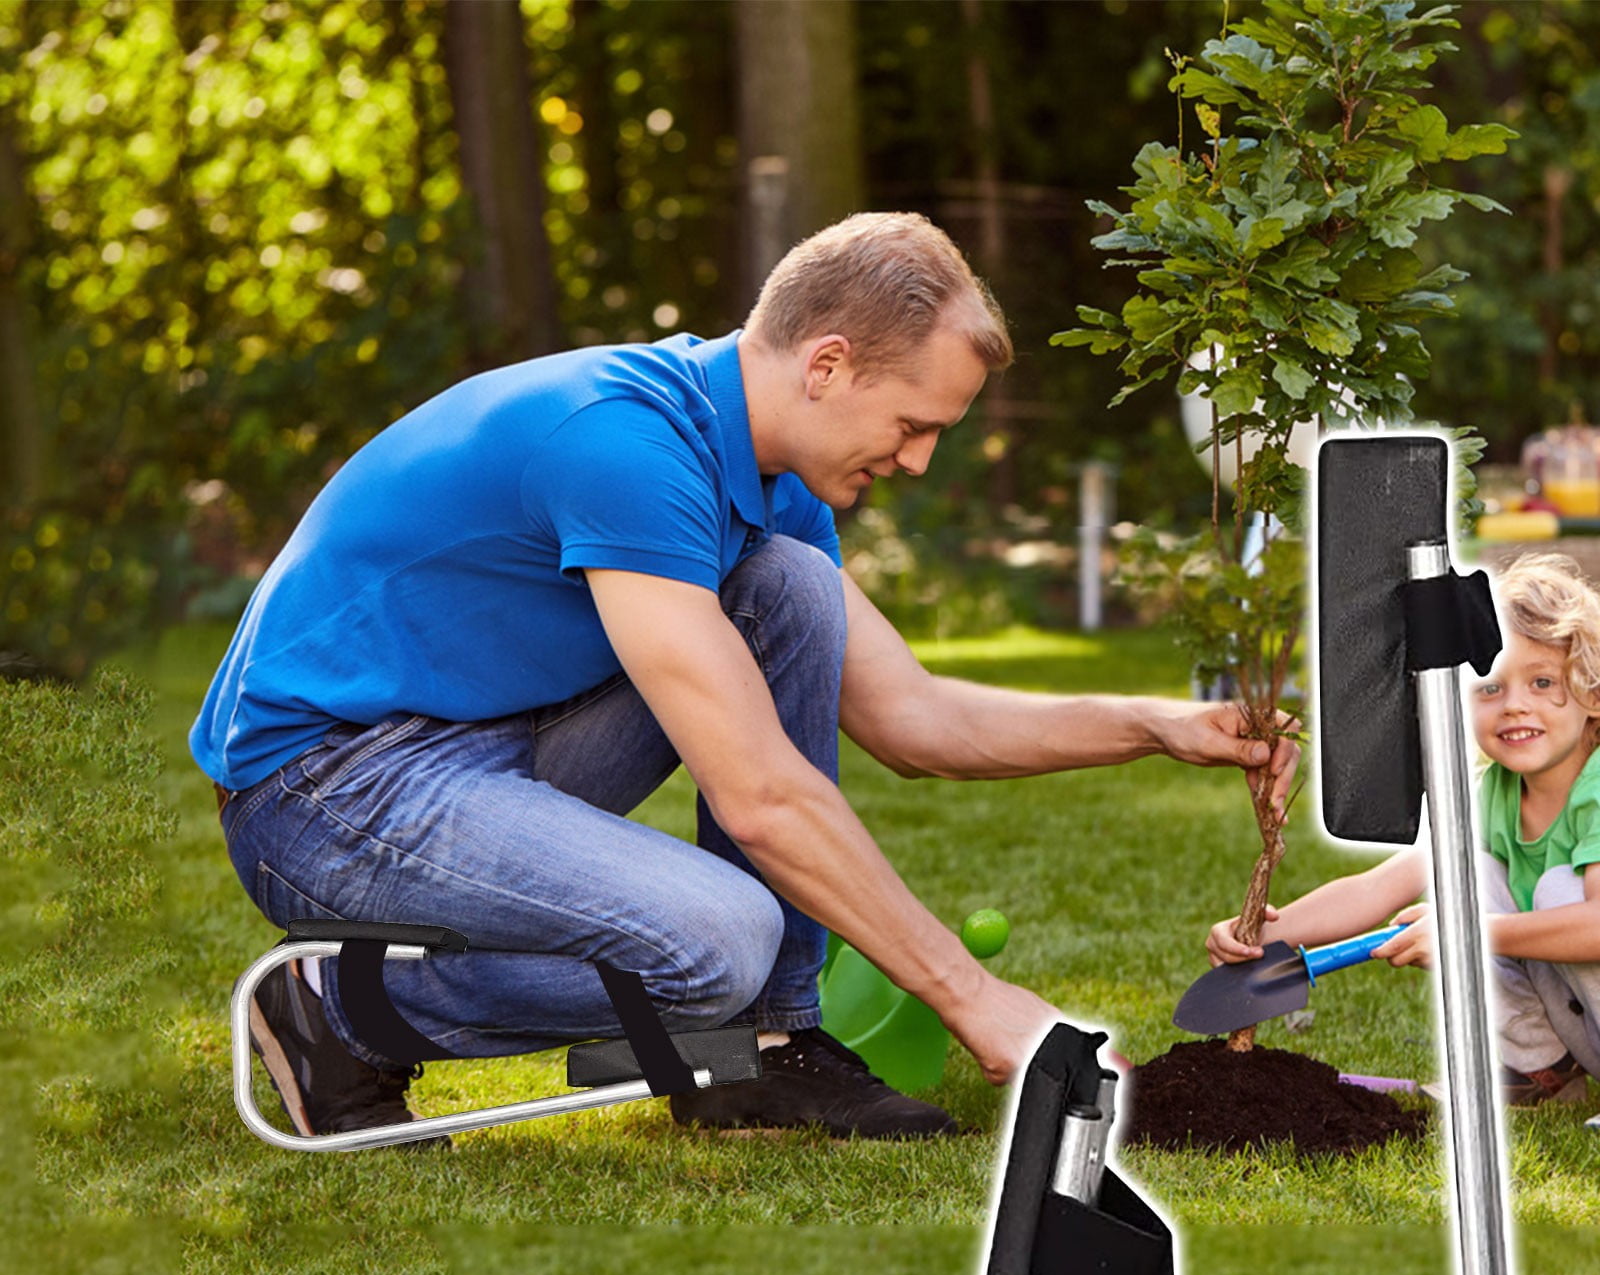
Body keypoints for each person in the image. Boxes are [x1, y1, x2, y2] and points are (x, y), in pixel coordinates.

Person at [194, 211, 1295, 1143]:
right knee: (720, 938)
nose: (917, 462)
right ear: (827, 364)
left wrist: (1154, 723)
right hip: (324, 791)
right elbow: (761, 796)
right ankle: (340, 1008)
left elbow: (912, 719)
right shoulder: (623, 445)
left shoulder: (770, 480)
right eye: (914, 426)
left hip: (478, 746)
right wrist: (971, 995)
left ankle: (764, 1050)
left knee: (790, 591)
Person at [1207, 551, 1600, 1109]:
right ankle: (1540, 1075)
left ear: (1594, 694)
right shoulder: (1493, 794)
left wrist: (1464, 933)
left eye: (1542, 682)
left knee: (1557, 890)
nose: (1514, 706)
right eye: (1490, 688)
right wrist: (1265, 936)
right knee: (1466, 874)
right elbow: (1379, 887)